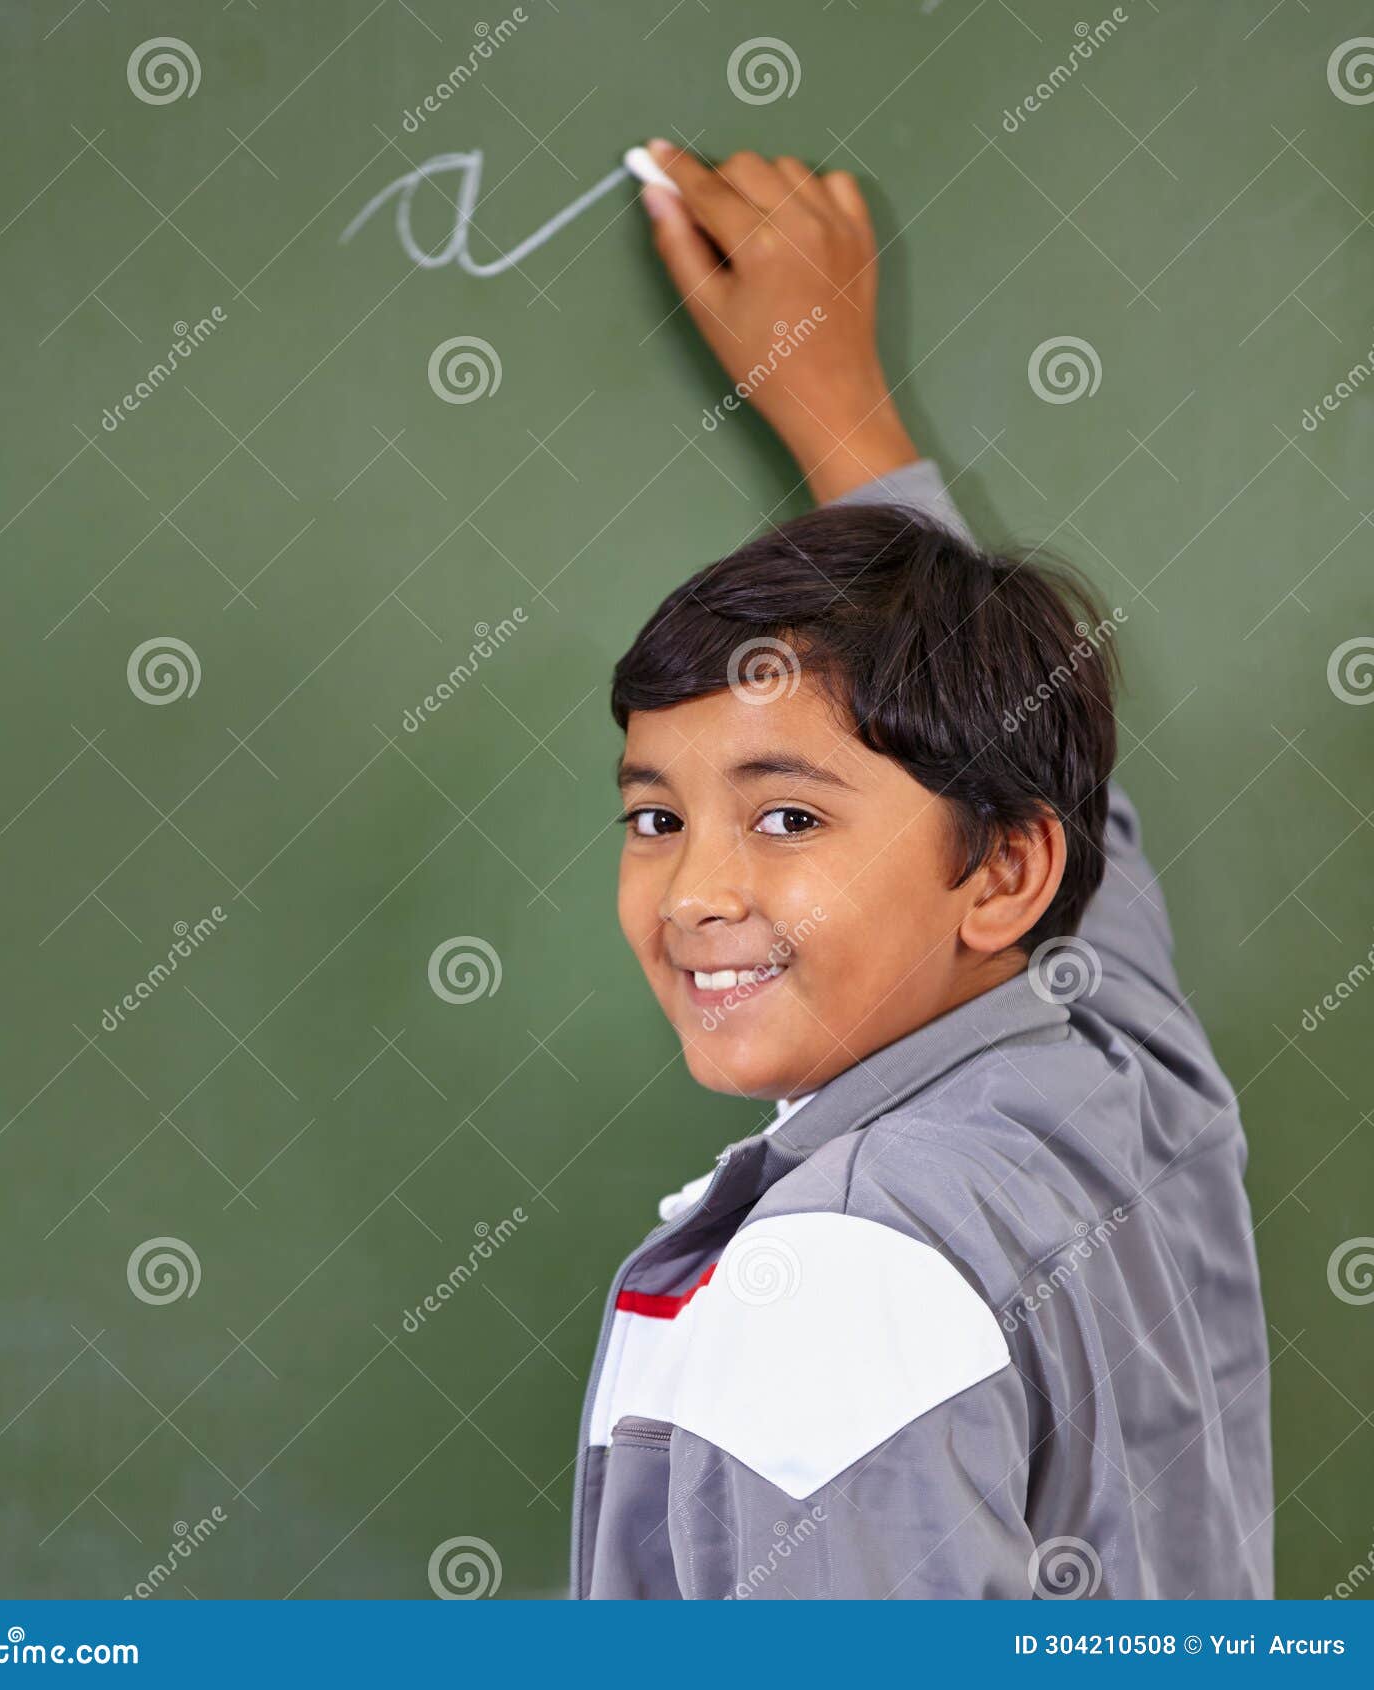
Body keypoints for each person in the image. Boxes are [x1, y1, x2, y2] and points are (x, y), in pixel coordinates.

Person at [569, 141, 1273, 1600]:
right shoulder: (1123, 1088)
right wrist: (845, 418)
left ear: (1006, 875)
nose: (697, 890)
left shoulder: (833, 1276)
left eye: (789, 819)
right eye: (654, 817)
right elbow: (1057, 818)